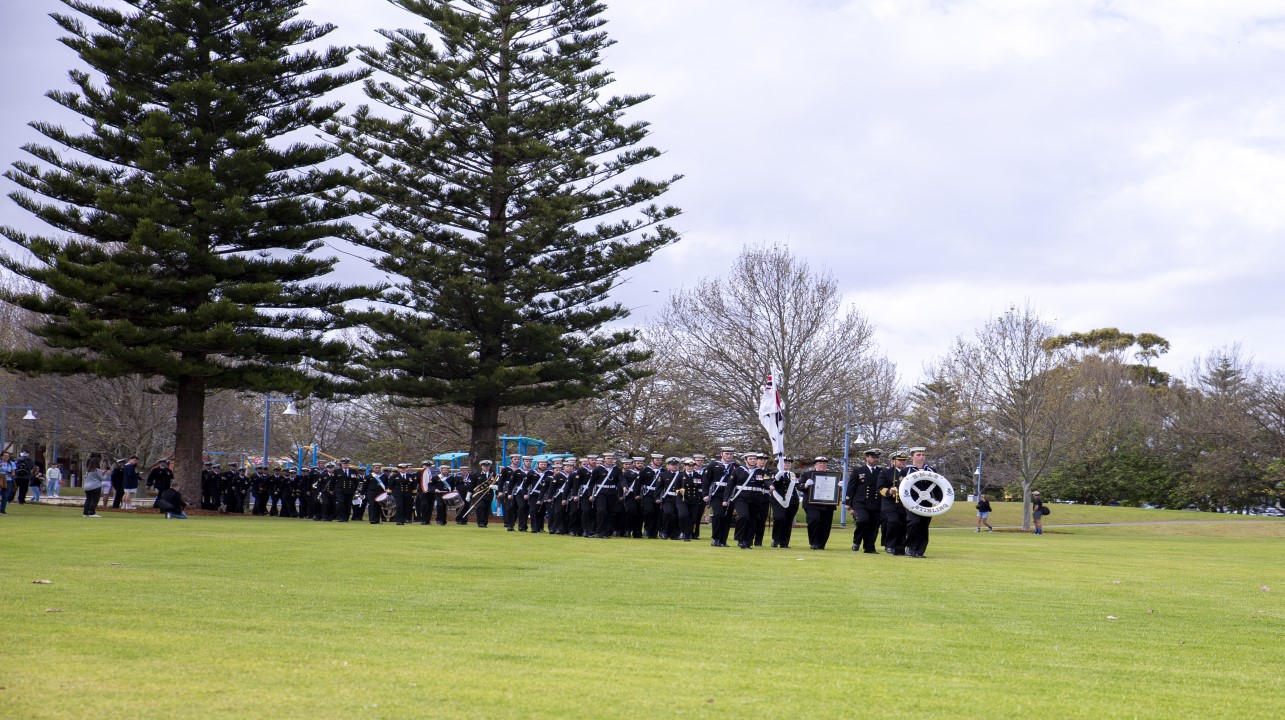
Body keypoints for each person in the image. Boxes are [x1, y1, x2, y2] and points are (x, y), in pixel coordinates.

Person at [845, 450, 883, 553]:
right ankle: (857, 541)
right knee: (863, 520)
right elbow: (851, 487)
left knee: (873, 525)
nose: (875, 459)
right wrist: (848, 502)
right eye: (873, 457)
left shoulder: (881, 471)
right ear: (867, 457)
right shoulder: (858, 470)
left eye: (877, 457)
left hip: (876, 502)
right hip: (861, 501)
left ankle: (869, 547)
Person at [902, 447, 936, 558]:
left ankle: (919, 551)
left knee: (923, 526)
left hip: (927, 502)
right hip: (910, 502)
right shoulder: (906, 471)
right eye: (918, 455)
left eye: (923, 454)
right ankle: (911, 546)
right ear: (912, 457)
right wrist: (903, 501)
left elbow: (938, 487)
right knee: (914, 522)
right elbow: (900, 487)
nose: (921, 457)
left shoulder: (931, 471)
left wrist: (940, 501)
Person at [801, 455, 839, 550]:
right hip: (811, 504)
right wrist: (805, 485)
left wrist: (839, 487)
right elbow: (798, 486)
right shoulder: (807, 474)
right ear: (815, 465)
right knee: (814, 520)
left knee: (825, 524)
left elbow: (835, 490)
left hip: (827, 504)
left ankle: (821, 545)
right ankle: (813, 542)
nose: (822, 465)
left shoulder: (832, 475)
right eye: (820, 463)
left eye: (824, 463)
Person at [878, 451, 910, 555]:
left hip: (904, 503)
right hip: (890, 503)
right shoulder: (885, 472)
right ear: (893, 461)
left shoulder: (909, 472)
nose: (902, 462)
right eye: (899, 460)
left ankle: (900, 546)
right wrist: (888, 491)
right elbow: (879, 488)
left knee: (903, 524)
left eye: (904, 460)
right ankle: (889, 545)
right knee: (893, 522)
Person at [769, 456, 800, 549]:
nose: (786, 464)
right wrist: (777, 477)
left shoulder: (793, 474)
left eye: (788, 463)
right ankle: (775, 539)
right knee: (779, 518)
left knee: (788, 521)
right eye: (784, 463)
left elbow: (797, 486)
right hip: (778, 500)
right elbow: (771, 483)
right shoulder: (773, 473)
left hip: (792, 500)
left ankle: (784, 542)